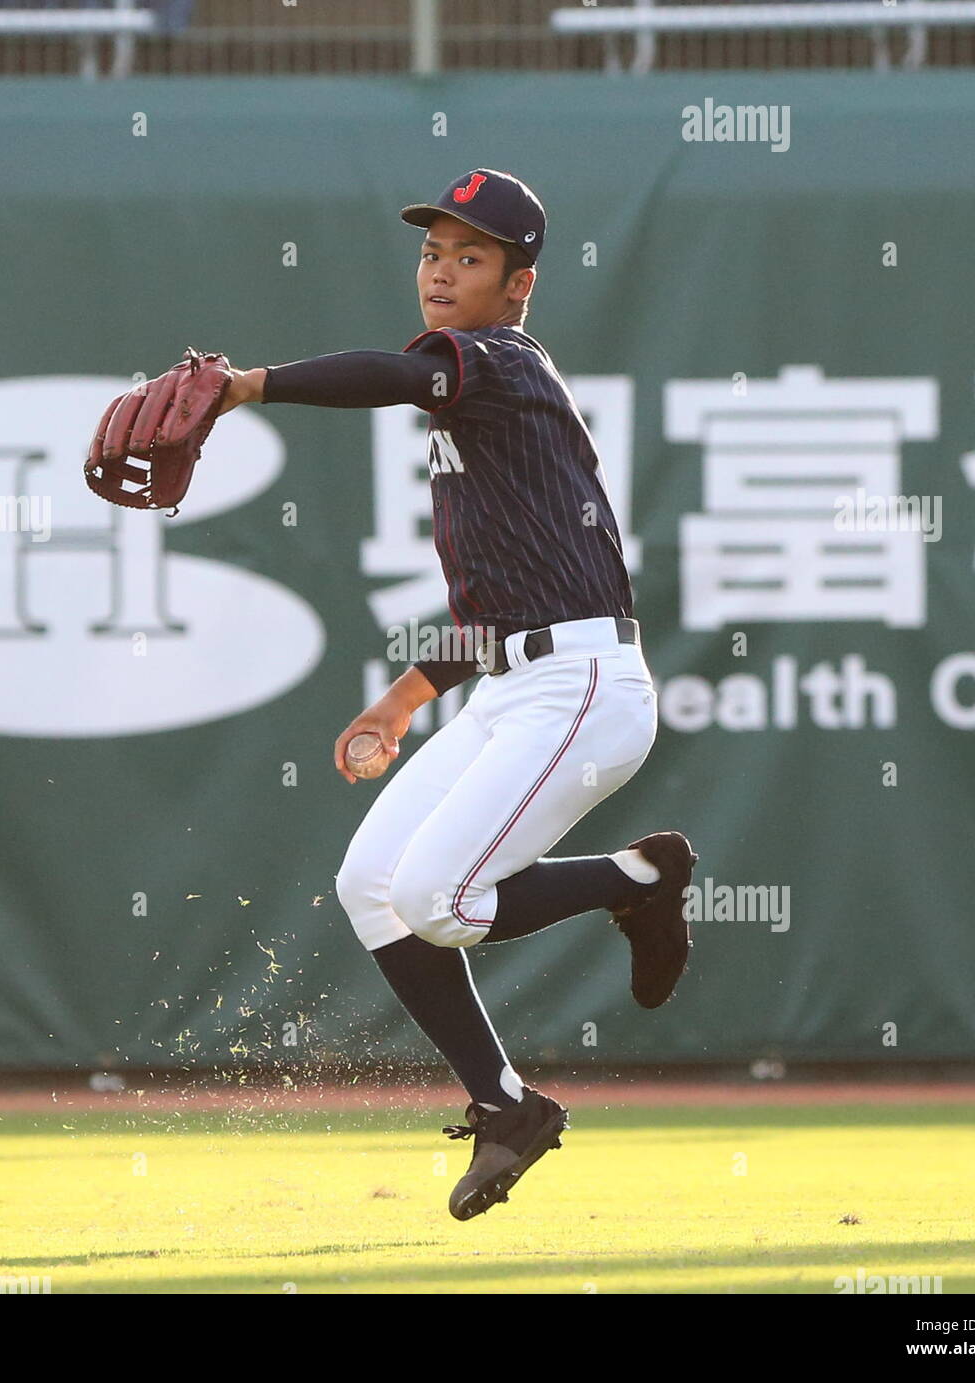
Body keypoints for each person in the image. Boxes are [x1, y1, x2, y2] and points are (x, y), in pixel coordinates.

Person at [218, 168, 697, 1220]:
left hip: (581, 686)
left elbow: (392, 375)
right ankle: (506, 1106)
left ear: (516, 285)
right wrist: (400, 701)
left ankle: (637, 878)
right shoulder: (480, 417)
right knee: (371, 887)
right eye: (433, 252)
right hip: (515, 684)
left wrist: (248, 385)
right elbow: (500, 604)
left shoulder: (500, 363)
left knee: (441, 901)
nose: (441, 271)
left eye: (469, 257)